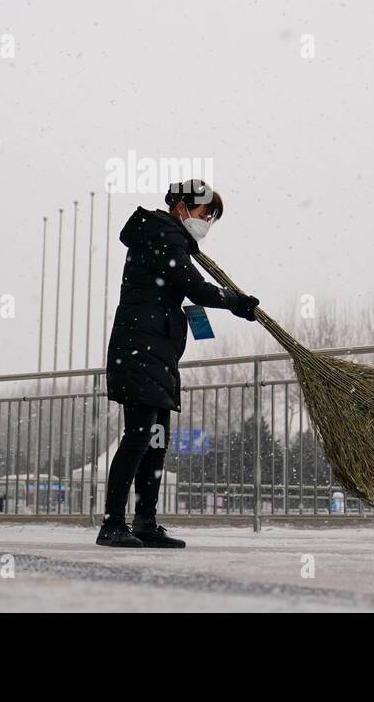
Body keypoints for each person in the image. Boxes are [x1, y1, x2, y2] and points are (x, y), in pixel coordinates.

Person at [96, 180, 259, 548]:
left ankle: (145, 521)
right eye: (205, 214)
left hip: (159, 353)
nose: (206, 222)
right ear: (183, 206)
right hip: (140, 350)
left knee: (157, 441)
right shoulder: (162, 235)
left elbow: (185, 291)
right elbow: (195, 288)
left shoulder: (174, 240)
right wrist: (236, 301)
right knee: (138, 438)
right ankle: (112, 524)